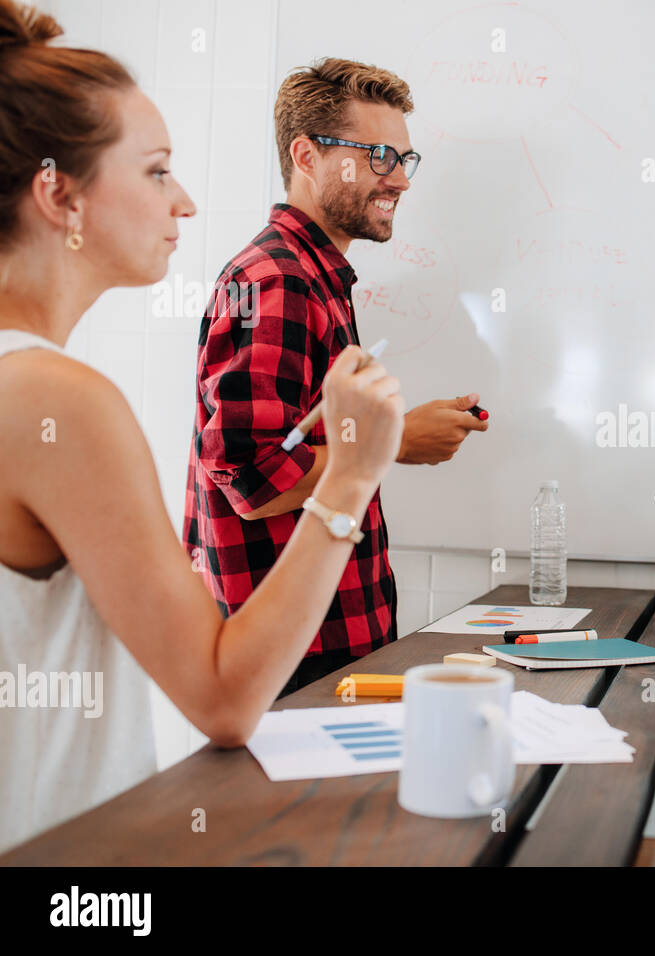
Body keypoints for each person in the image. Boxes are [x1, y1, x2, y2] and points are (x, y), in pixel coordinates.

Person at [0, 1, 404, 853]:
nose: (183, 202)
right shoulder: (58, 400)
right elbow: (223, 698)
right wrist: (353, 472)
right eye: (154, 171)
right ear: (58, 194)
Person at [184, 59, 489, 698]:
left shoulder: (316, 277)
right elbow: (250, 477)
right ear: (307, 155)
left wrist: (387, 436)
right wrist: (396, 441)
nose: (401, 179)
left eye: (406, 158)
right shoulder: (277, 282)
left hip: (325, 647)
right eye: (379, 155)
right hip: (292, 658)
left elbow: (290, 447)